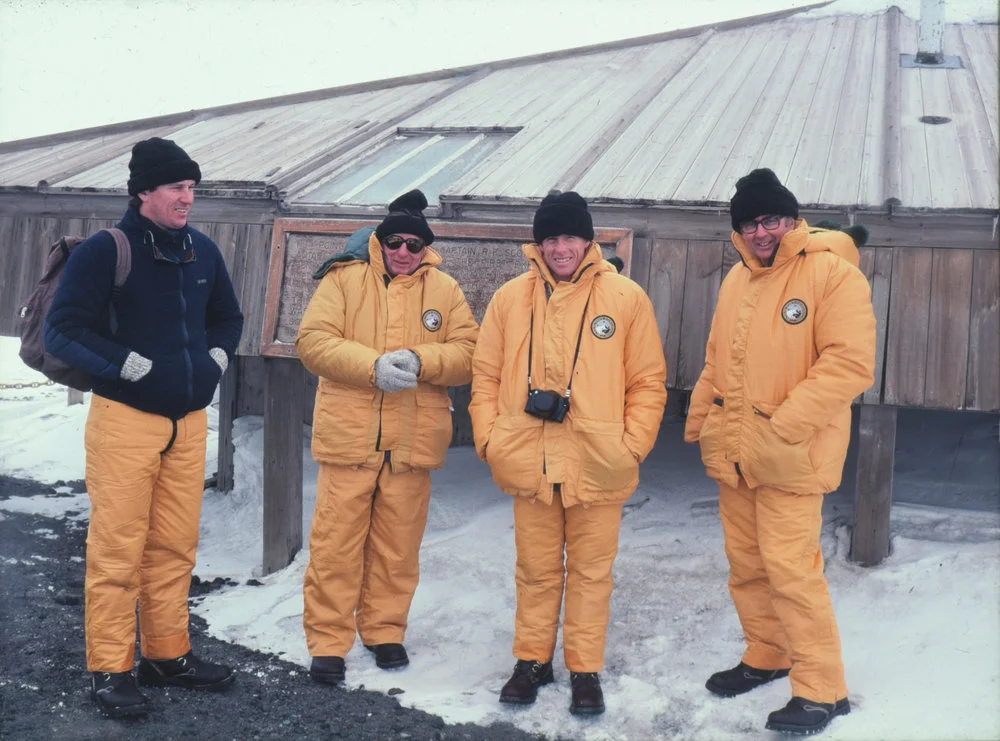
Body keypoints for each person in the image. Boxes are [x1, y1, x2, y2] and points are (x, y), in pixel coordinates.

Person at [44, 137, 244, 718]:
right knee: (118, 550)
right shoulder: (107, 250)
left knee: (175, 546)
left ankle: (167, 654)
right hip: (125, 421)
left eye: (191, 189)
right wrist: (125, 364)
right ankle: (111, 668)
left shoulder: (202, 251)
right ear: (144, 192)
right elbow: (64, 329)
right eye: (177, 188)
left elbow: (227, 318)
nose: (188, 198)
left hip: (187, 423)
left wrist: (216, 360)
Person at [683, 168, 876, 736]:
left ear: (793, 220)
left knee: (794, 573)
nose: (761, 231)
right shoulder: (736, 280)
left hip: (792, 452)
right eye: (749, 223)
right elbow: (718, 360)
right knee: (747, 568)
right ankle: (767, 653)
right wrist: (700, 421)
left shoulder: (834, 275)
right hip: (736, 452)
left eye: (771, 220)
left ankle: (822, 689)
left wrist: (787, 424)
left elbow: (849, 364)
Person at [469, 191, 667, 716]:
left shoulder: (626, 298)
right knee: (534, 570)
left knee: (591, 572)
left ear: (588, 240)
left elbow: (648, 382)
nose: (561, 248)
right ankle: (532, 660)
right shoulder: (510, 299)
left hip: (599, 461)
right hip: (528, 458)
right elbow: (484, 376)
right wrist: (491, 438)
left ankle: (585, 667)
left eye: (570, 237)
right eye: (551, 238)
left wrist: (631, 445)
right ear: (539, 243)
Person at [296, 189, 479, 686]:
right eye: (395, 241)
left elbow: (468, 352)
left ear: (427, 249)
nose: (404, 251)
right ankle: (329, 641)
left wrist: (424, 360)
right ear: (380, 241)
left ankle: (385, 631)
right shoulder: (343, 279)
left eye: (415, 244)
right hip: (350, 439)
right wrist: (371, 366)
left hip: (412, 442)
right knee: (336, 544)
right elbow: (313, 342)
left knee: (399, 548)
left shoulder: (445, 289)